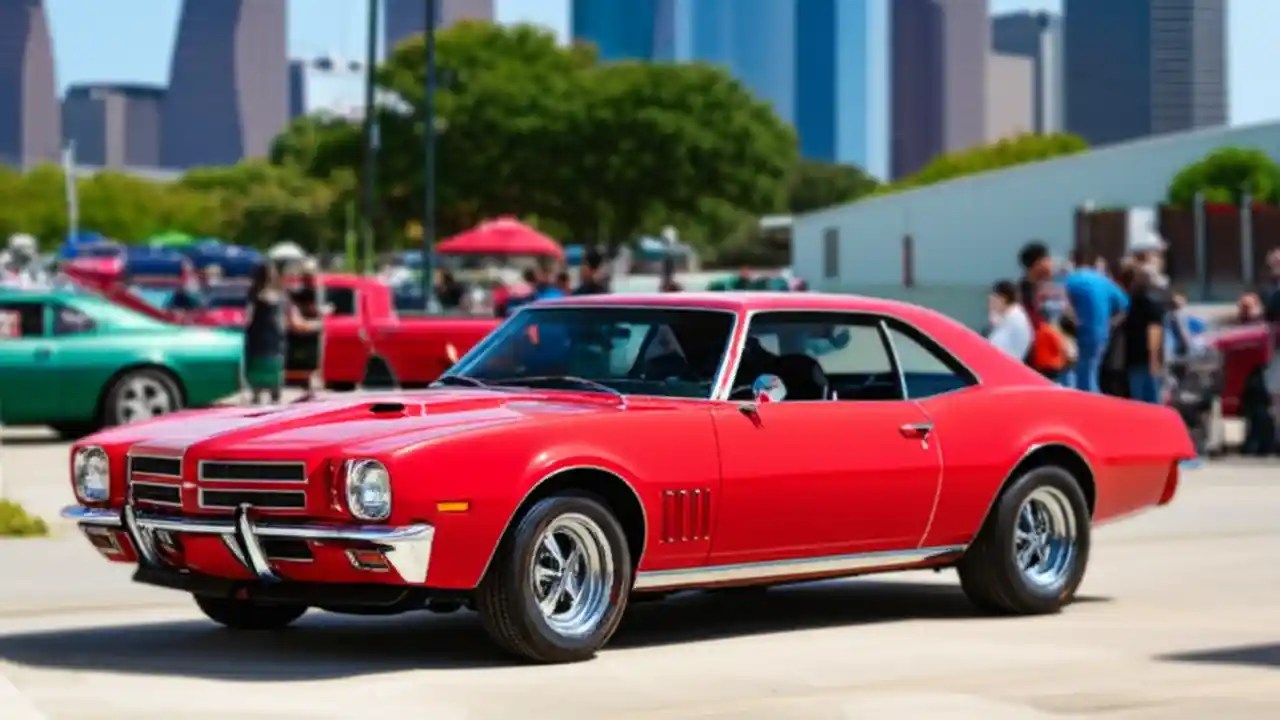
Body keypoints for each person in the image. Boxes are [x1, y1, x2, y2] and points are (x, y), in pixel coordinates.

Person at [1062, 249, 1129, 392]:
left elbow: (1063, 306)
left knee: (1078, 375)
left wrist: (1073, 320)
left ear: (1074, 261)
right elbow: (1125, 306)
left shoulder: (1071, 280)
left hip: (1077, 333)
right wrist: (1112, 323)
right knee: (1091, 372)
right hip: (1101, 333)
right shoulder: (1105, 281)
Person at [1120, 231, 1171, 404]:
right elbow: (1154, 328)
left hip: (1136, 358)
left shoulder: (1136, 292)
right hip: (1145, 361)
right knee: (1149, 405)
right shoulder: (1151, 293)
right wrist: (1154, 361)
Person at [242, 262, 289, 404]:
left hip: (258, 336)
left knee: (256, 364)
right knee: (274, 363)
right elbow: (282, 318)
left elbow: (248, 317)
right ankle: (275, 393)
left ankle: (256, 394)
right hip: (274, 336)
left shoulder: (254, 294)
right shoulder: (279, 294)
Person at [986, 280, 1033, 360]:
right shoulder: (1010, 317)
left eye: (993, 300)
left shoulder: (1015, 318)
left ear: (1003, 299)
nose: (990, 304)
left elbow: (994, 346)